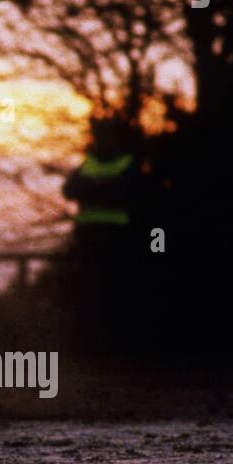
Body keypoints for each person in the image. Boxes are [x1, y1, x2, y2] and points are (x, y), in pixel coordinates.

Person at [63, 117, 141, 351]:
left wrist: (92, 188)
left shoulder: (126, 164)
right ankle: (89, 342)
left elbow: (129, 192)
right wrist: (104, 188)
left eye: (107, 136)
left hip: (116, 237)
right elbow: (70, 189)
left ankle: (114, 343)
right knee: (88, 290)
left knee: (114, 290)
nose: (103, 141)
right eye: (101, 136)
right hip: (90, 236)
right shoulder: (90, 164)